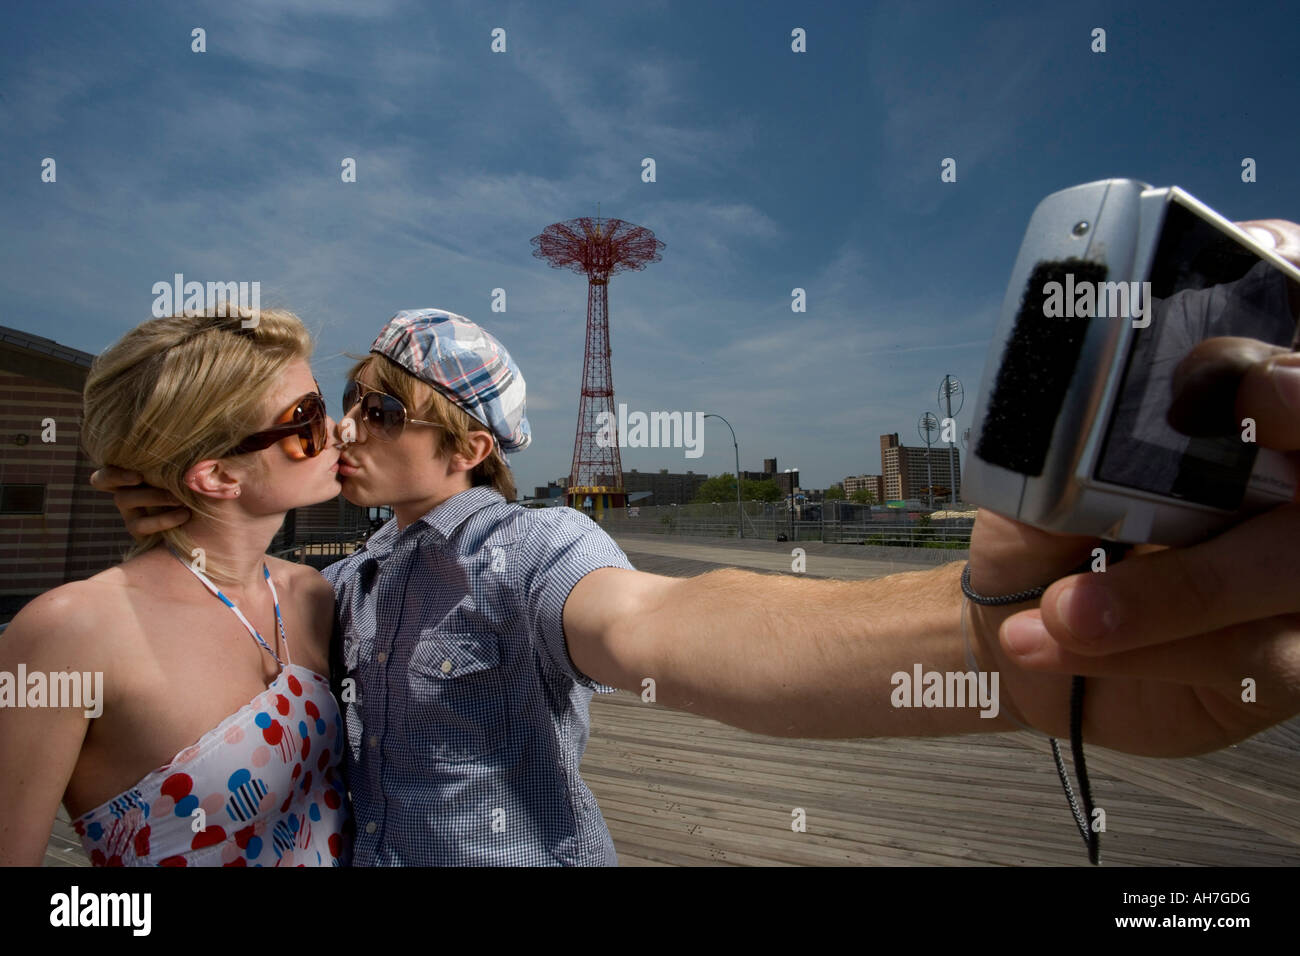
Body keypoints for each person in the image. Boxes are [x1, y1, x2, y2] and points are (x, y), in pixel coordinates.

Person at [90, 220, 1300, 864]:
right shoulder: (349, 581)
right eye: (344, 404)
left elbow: (663, 622)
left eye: (383, 410)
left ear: (468, 449)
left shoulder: (528, 547)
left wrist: (993, 641)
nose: (349, 431)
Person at [0, 308, 350, 866]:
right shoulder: (72, 630)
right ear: (218, 476)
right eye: (306, 418)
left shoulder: (313, 593)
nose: (339, 431)